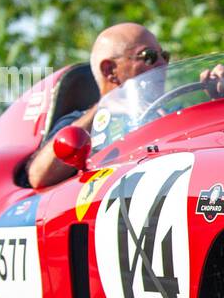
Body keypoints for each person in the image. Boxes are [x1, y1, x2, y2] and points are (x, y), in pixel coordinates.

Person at [27, 23, 167, 188]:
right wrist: (104, 107)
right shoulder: (80, 122)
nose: (162, 64)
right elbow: (39, 176)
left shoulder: (173, 110)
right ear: (110, 71)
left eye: (165, 56)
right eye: (148, 56)